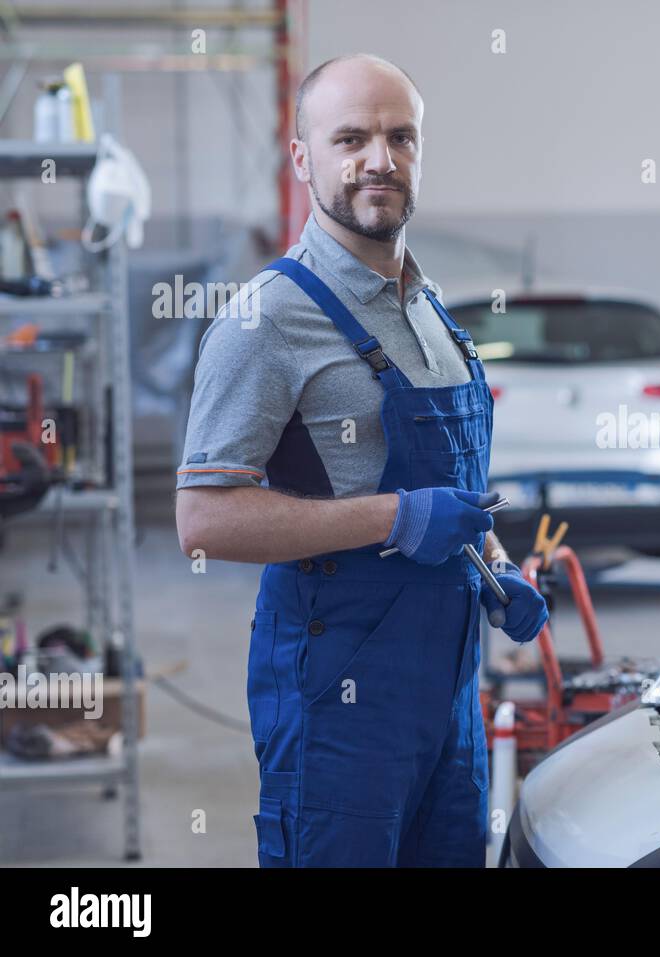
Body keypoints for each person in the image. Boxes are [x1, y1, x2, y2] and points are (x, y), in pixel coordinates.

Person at [175, 53, 548, 867]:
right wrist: (394, 517)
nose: (378, 158)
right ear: (303, 159)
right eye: (350, 138)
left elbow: (449, 494)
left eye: (399, 136)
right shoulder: (266, 320)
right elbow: (202, 520)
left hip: (449, 702)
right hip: (336, 705)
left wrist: (497, 563)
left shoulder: (432, 307)